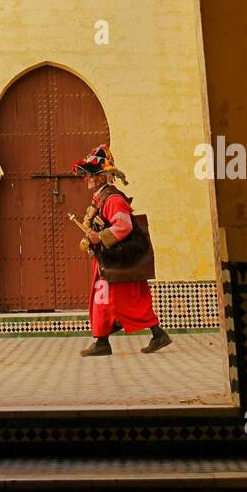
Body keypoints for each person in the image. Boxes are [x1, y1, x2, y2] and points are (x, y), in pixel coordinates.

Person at [74, 145, 172, 357]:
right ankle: (107, 338)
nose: (86, 179)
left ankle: (106, 340)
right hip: (110, 260)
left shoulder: (113, 199)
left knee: (117, 299)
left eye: (90, 175)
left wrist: (99, 237)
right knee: (115, 299)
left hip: (118, 260)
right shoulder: (102, 198)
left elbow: (124, 225)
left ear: (101, 177)